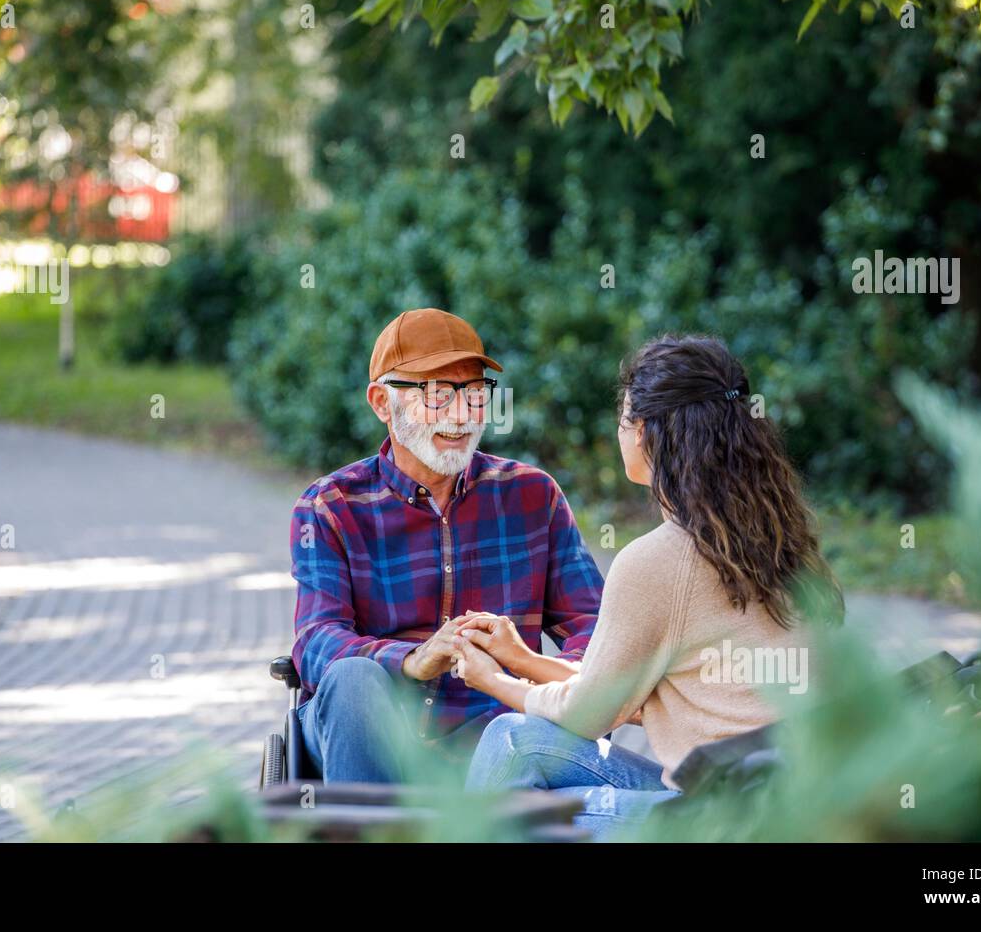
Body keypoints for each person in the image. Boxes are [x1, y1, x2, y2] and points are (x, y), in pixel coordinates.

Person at [458, 333, 844, 839]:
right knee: (523, 741)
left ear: (644, 432)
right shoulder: (779, 540)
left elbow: (590, 715)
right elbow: (645, 697)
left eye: (623, 420)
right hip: (790, 798)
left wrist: (493, 681)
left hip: (723, 818)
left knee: (513, 749)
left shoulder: (659, 561)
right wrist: (523, 659)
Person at [290, 307, 604, 782]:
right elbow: (315, 641)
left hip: (498, 737)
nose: (461, 415)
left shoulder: (532, 495)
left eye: (475, 394)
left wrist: (538, 673)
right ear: (381, 402)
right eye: (438, 395)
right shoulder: (330, 506)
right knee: (353, 676)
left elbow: (597, 629)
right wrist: (411, 661)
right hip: (374, 734)